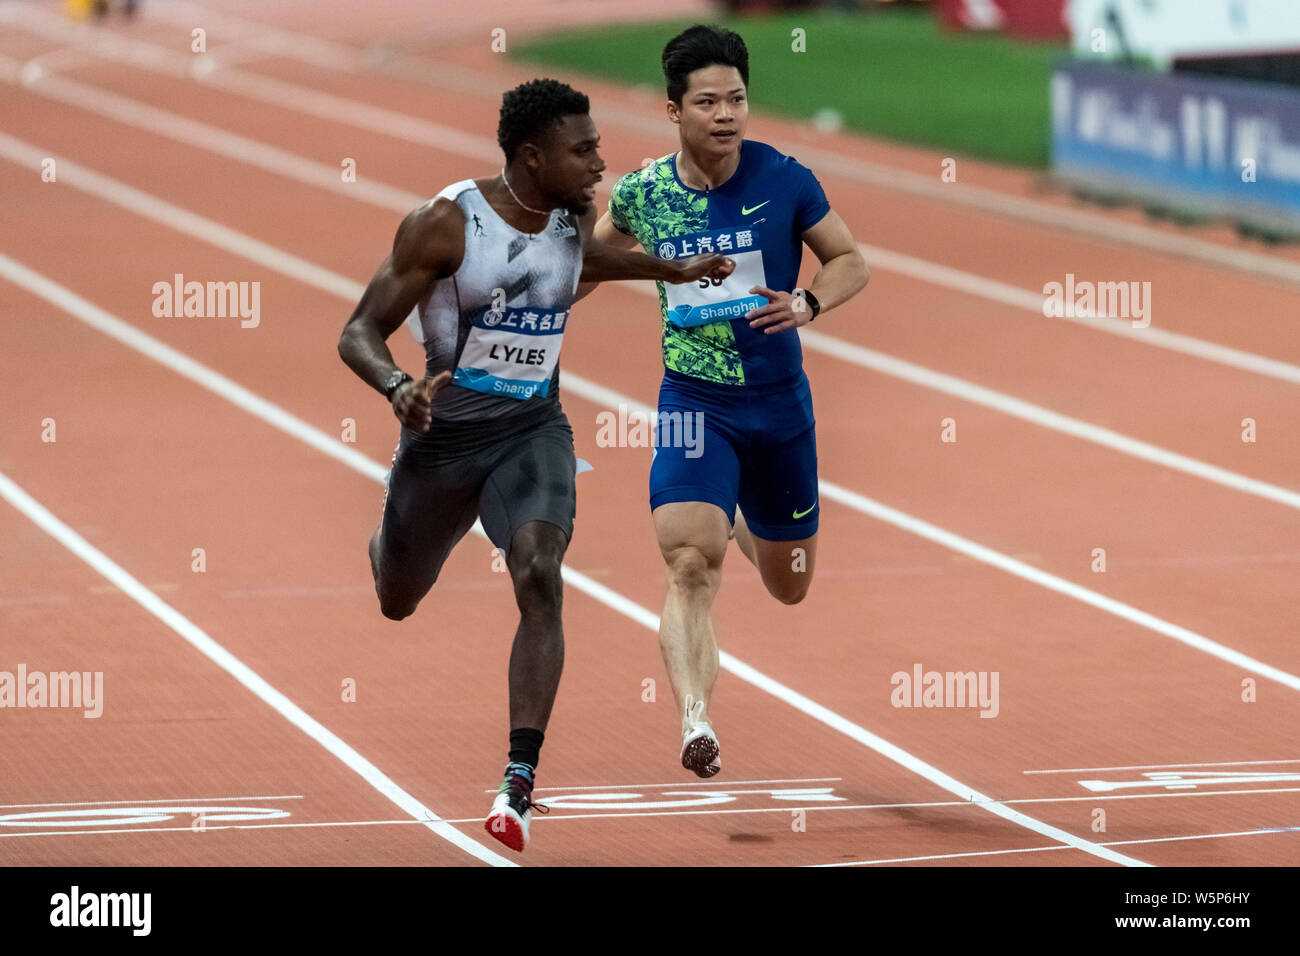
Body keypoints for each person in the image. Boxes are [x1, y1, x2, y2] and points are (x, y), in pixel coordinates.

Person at [338, 78, 732, 851]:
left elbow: (580, 263)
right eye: (582, 149)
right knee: (396, 596)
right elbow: (358, 330)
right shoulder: (444, 226)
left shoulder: (571, 213)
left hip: (532, 430)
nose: (599, 162)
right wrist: (396, 386)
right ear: (532, 155)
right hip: (443, 441)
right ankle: (394, 537)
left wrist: (670, 272)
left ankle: (519, 779)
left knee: (540, 571)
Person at [584, 25, 869, 777]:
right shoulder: (644, 194)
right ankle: (695, 722)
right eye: (707, 101)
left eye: (736, 99)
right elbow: (584, 267)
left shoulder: (785, 179)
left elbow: (850, 259)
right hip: (692, 401)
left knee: (790, 585)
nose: (726, 114)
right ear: (672, 109)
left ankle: (742, 513)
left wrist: (809, 302)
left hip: (779, 408)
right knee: (688, 563)